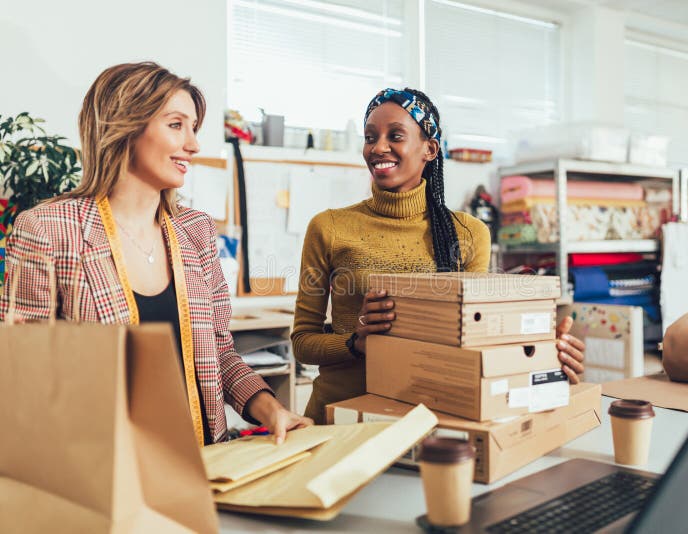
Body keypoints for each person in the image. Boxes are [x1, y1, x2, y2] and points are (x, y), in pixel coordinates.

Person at [0, 62, 311, 444]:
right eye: (176, 124)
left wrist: (271, 408)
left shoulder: (195, 230)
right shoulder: (48, 229)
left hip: (204, 460)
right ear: (127, 127)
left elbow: (217, 353)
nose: (193, 144)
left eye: (194, 128)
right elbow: (22, 373)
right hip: (107, 467)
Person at [292, 88, 586, 424]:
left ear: (429, 149)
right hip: (340, 416)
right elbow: (302, 342)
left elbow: (476, 341)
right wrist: (355, 343)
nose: (378, 147)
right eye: (370, 137)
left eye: (395, 136)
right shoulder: (329, 227)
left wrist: (544, 354)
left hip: (427, 419)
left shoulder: (468, 233)